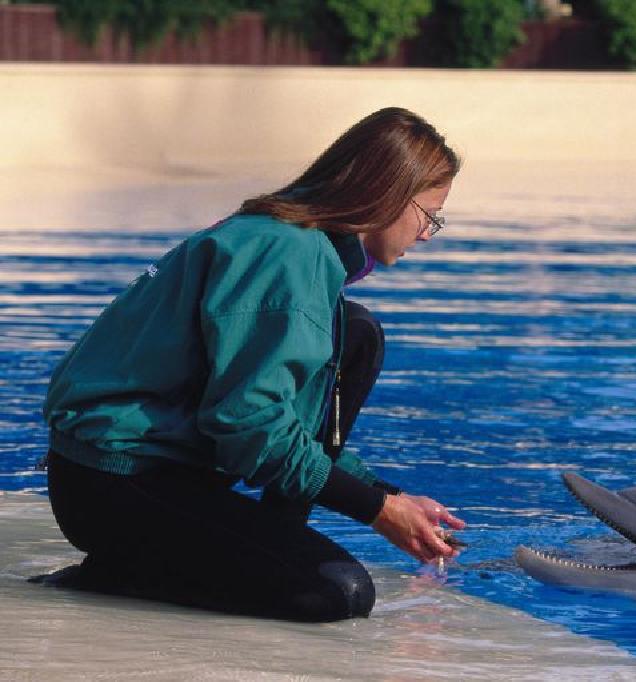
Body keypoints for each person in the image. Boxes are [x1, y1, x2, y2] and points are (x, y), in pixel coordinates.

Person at [40, 107, 465, 622]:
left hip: (168, 469)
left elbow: (288, 424)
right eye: (430, 215)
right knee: (339, 592)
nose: (427, 233)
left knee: (357, 334)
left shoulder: (303, 245)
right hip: (115, 485)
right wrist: (377, 511)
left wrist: (388, 494)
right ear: (389, 194)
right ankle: (115, 571)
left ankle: (269, 540)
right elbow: (250, 428)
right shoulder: (287, 256)